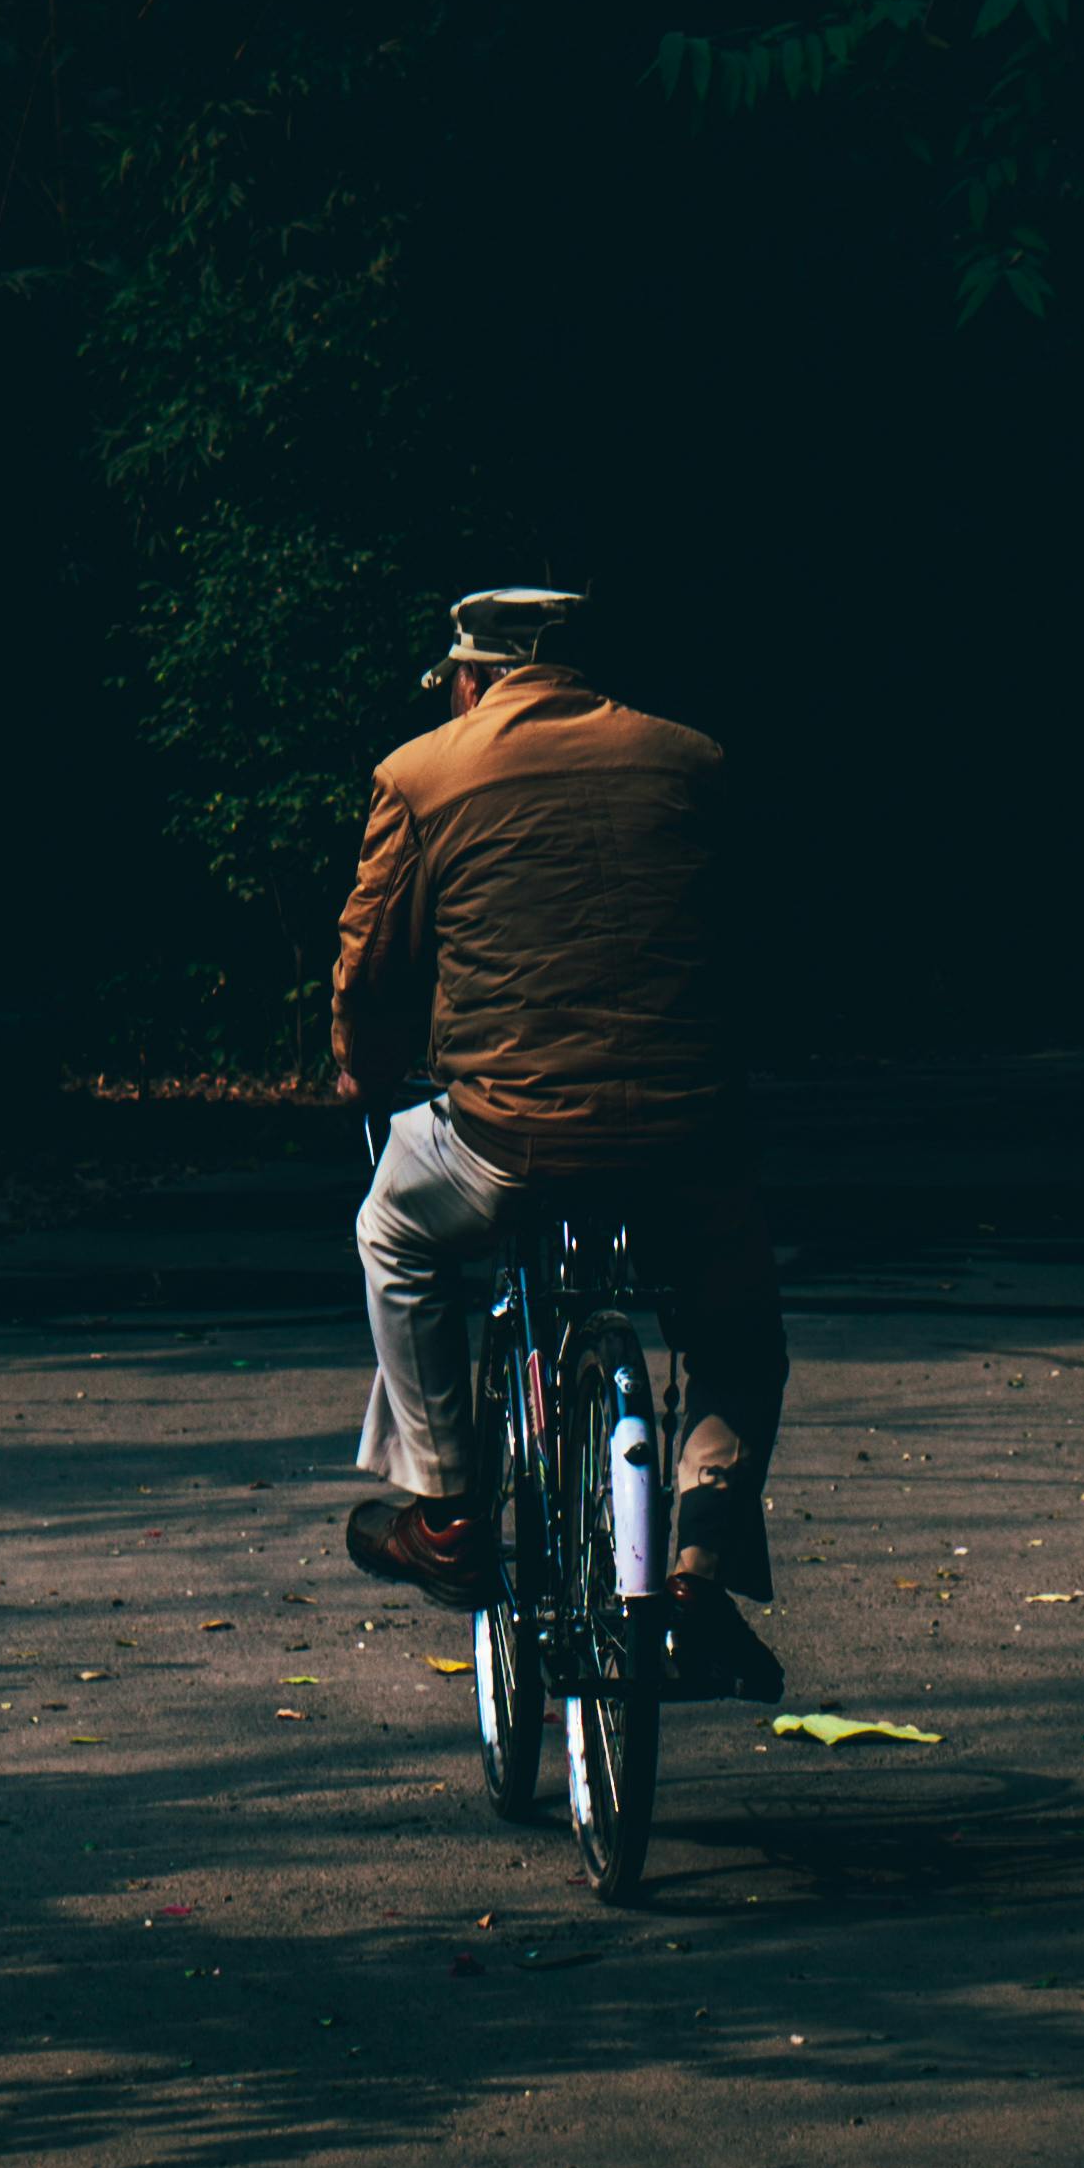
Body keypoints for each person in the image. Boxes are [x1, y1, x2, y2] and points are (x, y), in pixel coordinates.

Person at [330, 585, 789, 1698]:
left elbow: (372, 962)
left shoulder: (424, 772)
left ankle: (445, 1513)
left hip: (506, 1134)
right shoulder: (693, 761)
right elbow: (751, 937)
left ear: (476, 674)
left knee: (393, 1228)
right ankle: (696, 1574)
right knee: (733, 1327)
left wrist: (363, 1066)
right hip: (686, 1132)